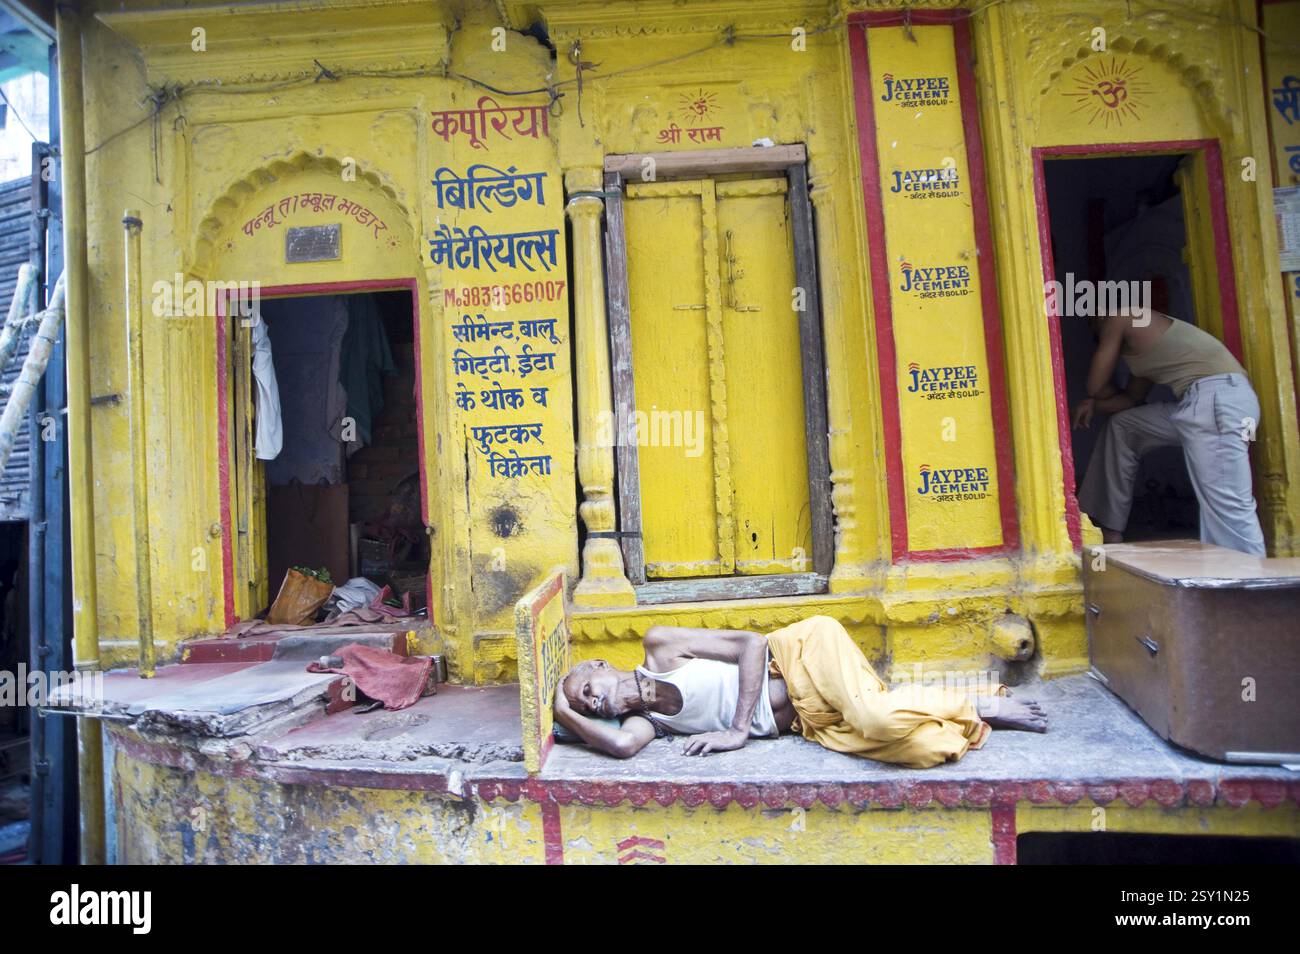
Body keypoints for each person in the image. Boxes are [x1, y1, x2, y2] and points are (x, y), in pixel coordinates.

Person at [552, 615, 1046, 769]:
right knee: (923, 747)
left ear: (601, 664)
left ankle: (976, 702)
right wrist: (561, 709)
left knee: (874, 717)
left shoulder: (661, 648)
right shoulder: (649, 725)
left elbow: (751, 644)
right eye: (587, 706)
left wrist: (737, 730)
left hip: (803, 655)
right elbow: (618, 746)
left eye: (588, 690)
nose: (593, 703)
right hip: (813, 722)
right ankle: (962, 711)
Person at [1072, 306, 1265, 555]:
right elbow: (1131, 399)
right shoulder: (1147, 352)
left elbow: (1095, 384)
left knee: (1227, 504)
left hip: (1216, 402)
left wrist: (1093, 397)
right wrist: (1095, 405)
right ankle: (1109, 527)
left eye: (1094, 324)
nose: (1097, 332)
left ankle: (1251, 584)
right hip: (1200, 406)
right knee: (1124, 426)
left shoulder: (1122, 316)